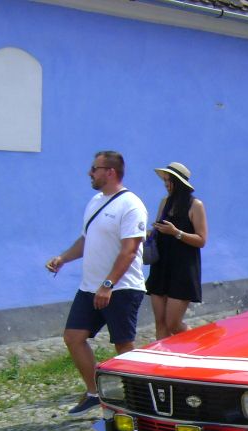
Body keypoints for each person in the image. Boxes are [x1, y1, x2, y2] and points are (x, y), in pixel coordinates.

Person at [45, 151, 148, 415]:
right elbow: (86, 240)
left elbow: (129, 250)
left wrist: (108, 284)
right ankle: (95, 392)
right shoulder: (95, 202)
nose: (90, 173)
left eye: (94, 168)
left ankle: (132, 403)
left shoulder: (131, 205)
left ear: (110, 172)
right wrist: (63, 258)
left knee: (123, 345)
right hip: (90, 287)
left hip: (121, 288)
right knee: (73, 337)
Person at [145, 162, 208, 339]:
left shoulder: (195, 205)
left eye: (168, 180)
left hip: (183, 268)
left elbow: (202, 240)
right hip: (161, 265)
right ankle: (164, 362)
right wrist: (151, 232)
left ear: (178, 182)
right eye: (164, 180)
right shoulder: (164, 202)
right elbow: (159, 228)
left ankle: (199, 342)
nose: (165, 184)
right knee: (160, 322)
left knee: (173, 322)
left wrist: (176, 232)